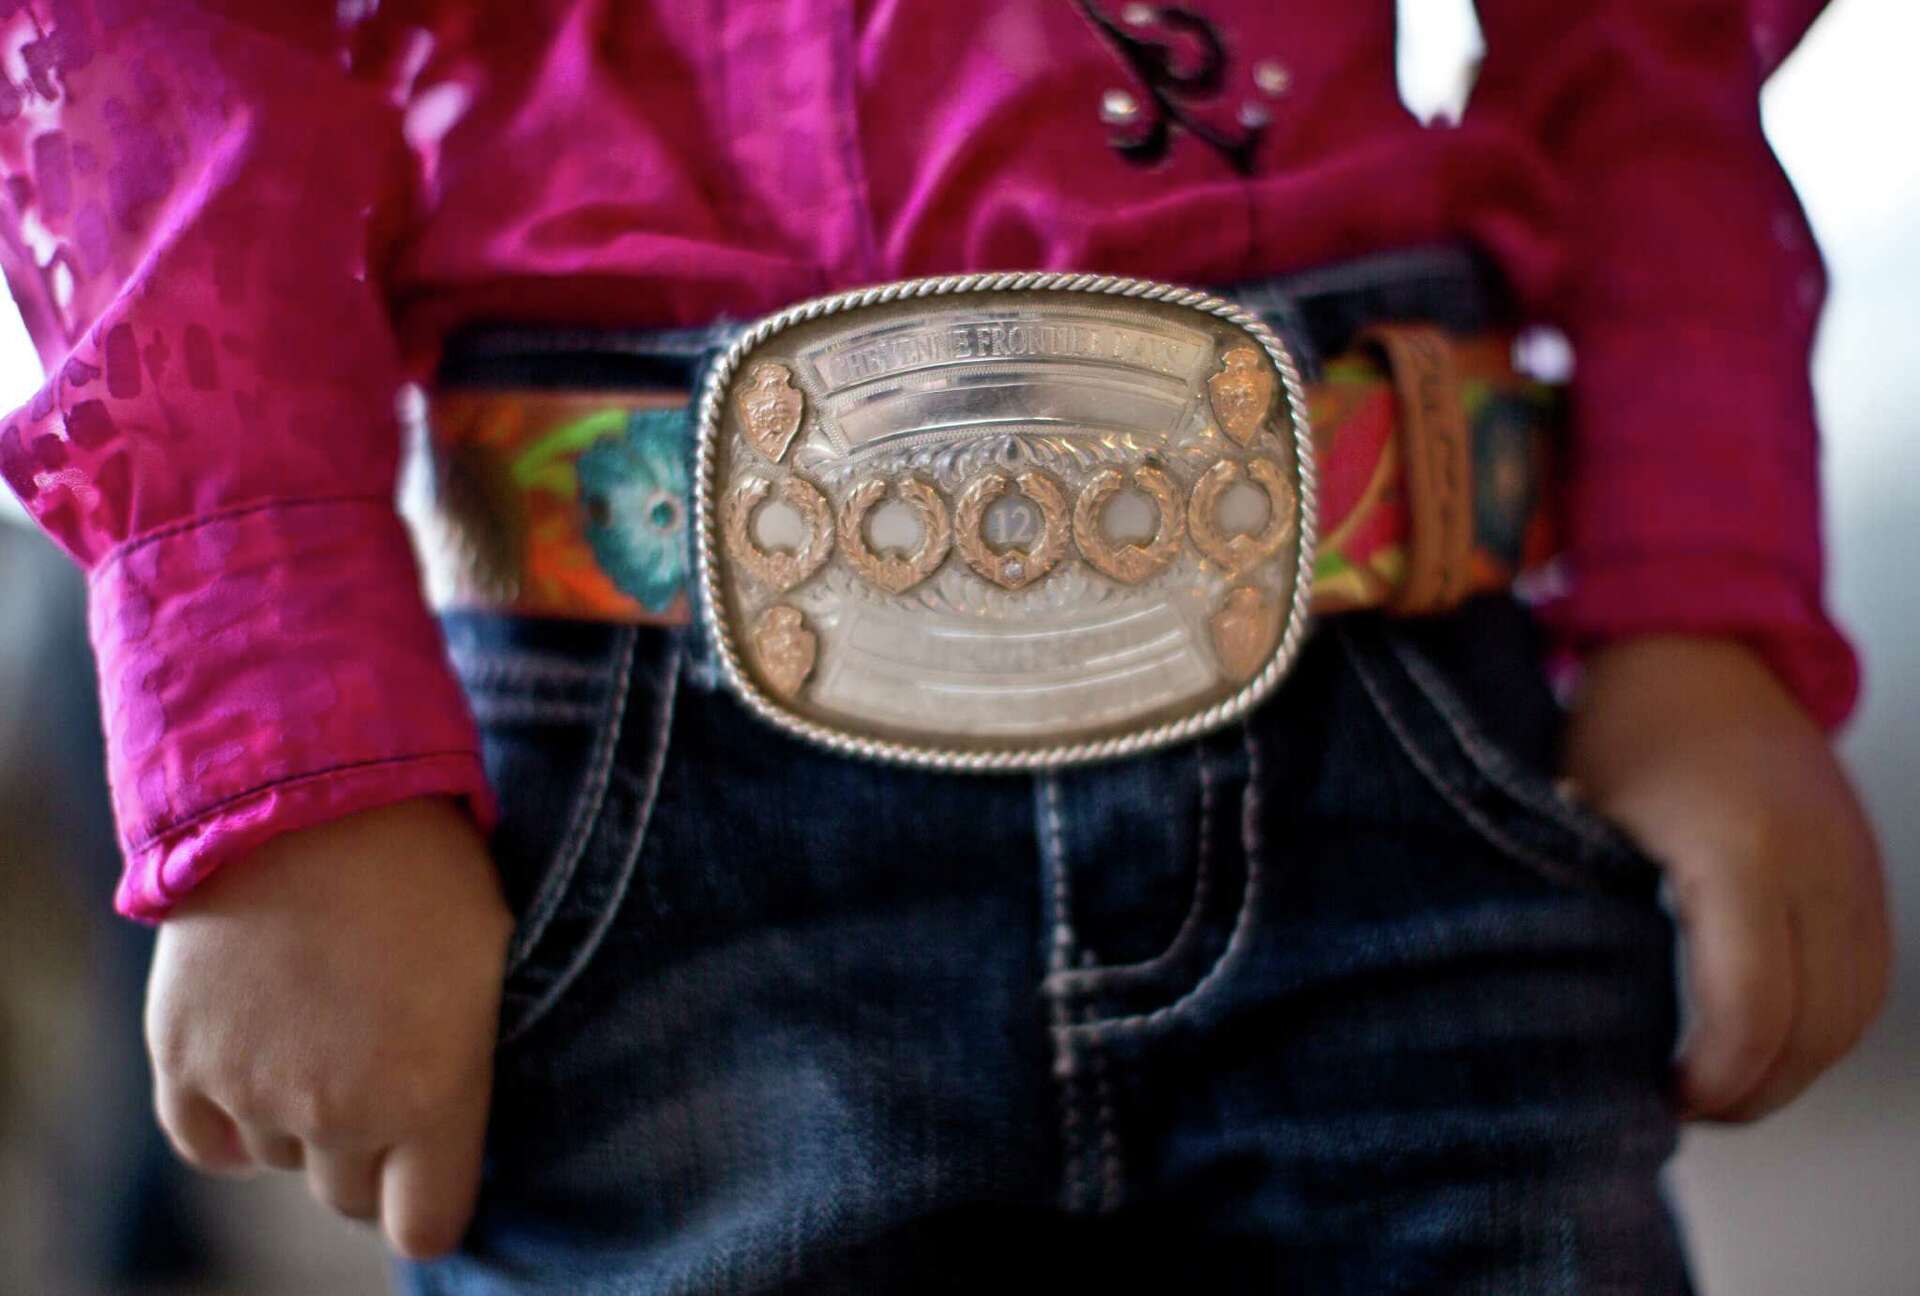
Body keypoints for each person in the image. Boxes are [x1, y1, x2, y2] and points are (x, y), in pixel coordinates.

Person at [0, 2, 1888, 1291]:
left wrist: (1701, 605)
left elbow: (1652, 40)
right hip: (649, 805)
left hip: (1399, 750)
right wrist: (276, 733)